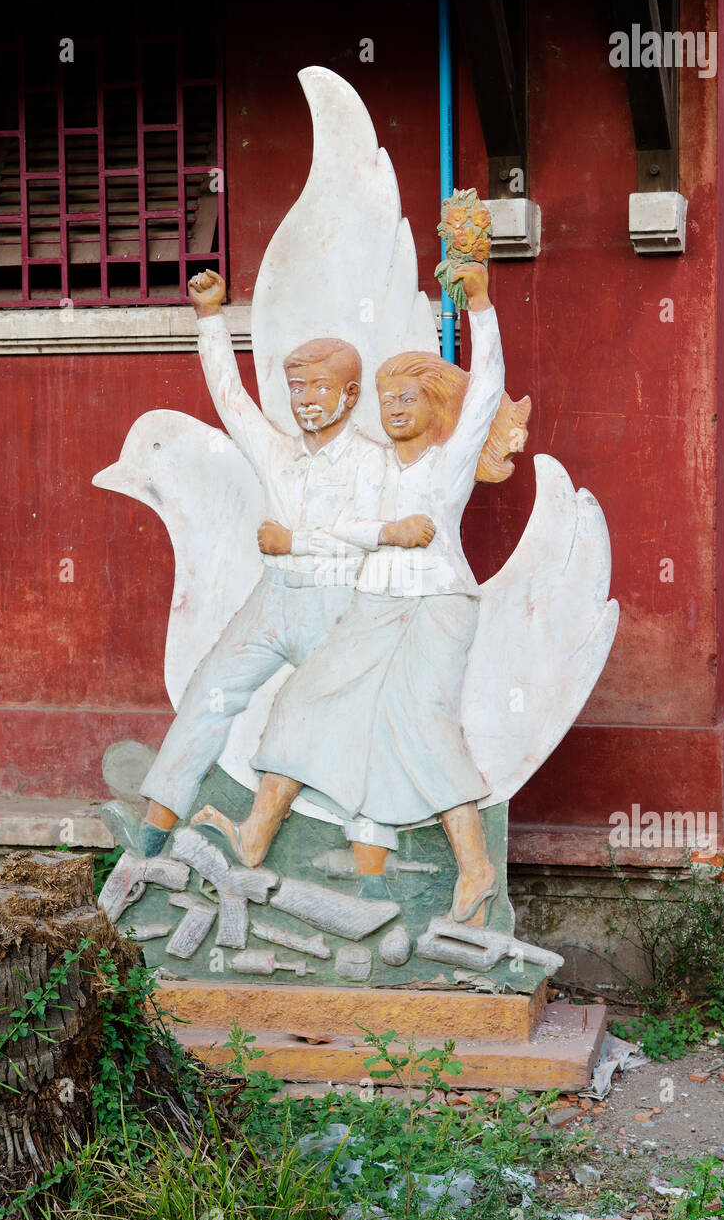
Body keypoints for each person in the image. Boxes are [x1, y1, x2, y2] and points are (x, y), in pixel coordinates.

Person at [192, 262, 510, 926]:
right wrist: (210, 323)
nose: (394, 407)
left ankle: (476, 869)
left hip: (436, 606)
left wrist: (478, 304)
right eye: (386, 398)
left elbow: (485, 391)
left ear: (435, 412)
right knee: (303, 698)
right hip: (374, 604)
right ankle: (255, 832)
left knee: (422, 724)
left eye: (408, 399)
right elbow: (345, 534)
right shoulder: (370, 464)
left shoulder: (446, 465)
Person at [102, 269, 436, 861]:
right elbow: (230, 397)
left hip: (338, 605)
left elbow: (373, 539)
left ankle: (373, 862)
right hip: (273, 599)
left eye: (317, 388)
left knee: (356, 719)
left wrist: (296, 540)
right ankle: (153, 832)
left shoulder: (372, 462)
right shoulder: (277, 453)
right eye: (296, 389)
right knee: (210, 691)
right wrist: (209, 317)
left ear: (350, 396)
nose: (304, 400)